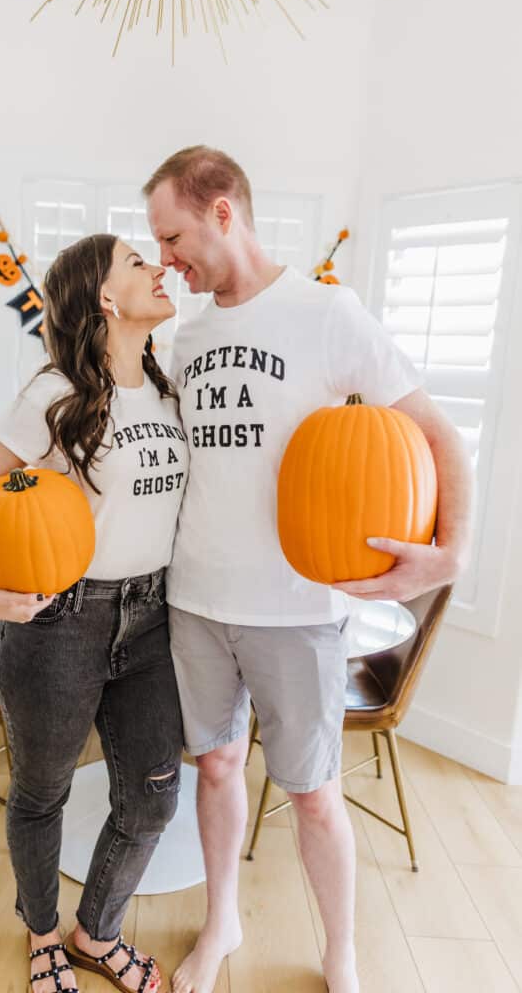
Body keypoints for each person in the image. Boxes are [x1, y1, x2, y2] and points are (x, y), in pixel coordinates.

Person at [143, 146, 472, 993]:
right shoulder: (185, 334)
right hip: (195, 599)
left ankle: (340, 951)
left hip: (296, 608)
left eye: (173, 235)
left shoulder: (327, 314)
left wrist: (452, 550)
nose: (167, 258)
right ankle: (223, 919)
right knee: (214, 766)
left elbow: (435, 435)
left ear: (223, 211)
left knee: (314, 792)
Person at [0, 234, 188, 993]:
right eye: (140, 263)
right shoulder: (52, 395)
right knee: (42, 791)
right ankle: (43, 934)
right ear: (107, 300)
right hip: (59, 623)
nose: (161, 267)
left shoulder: (167, 387)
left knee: (151, 797)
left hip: (154, 618)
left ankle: (96, 931)